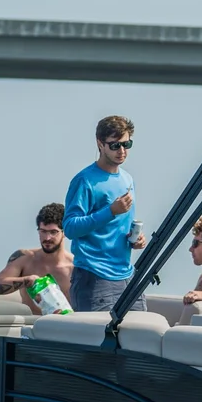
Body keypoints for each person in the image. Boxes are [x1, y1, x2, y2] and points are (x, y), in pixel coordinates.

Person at [63, 115, 148, 312]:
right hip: (94, 276)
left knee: (138, 338)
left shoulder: (128, 179)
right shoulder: (84, 180)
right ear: (100, 144)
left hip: (127, 275)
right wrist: (110, 211)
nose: (122, 151)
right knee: (96, 340)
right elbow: (70, 227)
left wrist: (135, 240)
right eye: (115, 145)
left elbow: (119, 226)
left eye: (127, 144)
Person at [0, 203, 74, 314]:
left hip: (64, 327)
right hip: (31, 326)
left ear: (65, 232)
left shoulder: (75, 266)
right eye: (43, 231)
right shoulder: (24, 258)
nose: (47, 238)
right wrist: (27, 281)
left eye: (53, 232)